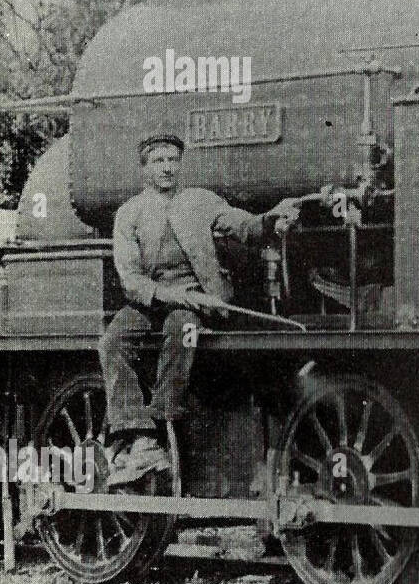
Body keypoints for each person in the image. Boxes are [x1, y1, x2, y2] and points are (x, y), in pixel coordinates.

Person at [99, 133, 299, 483]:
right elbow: (130, 280)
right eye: (159, 161)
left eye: (173, 160)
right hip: (149, 301)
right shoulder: (129, 214)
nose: (167, 168)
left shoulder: (201, 201)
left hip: (192, 304)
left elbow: (245, 226)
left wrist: (271, 218)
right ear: (144, 168)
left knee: (183, 331)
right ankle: (137, 432)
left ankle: (162, 424)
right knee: (112, 341)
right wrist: (172, 295)